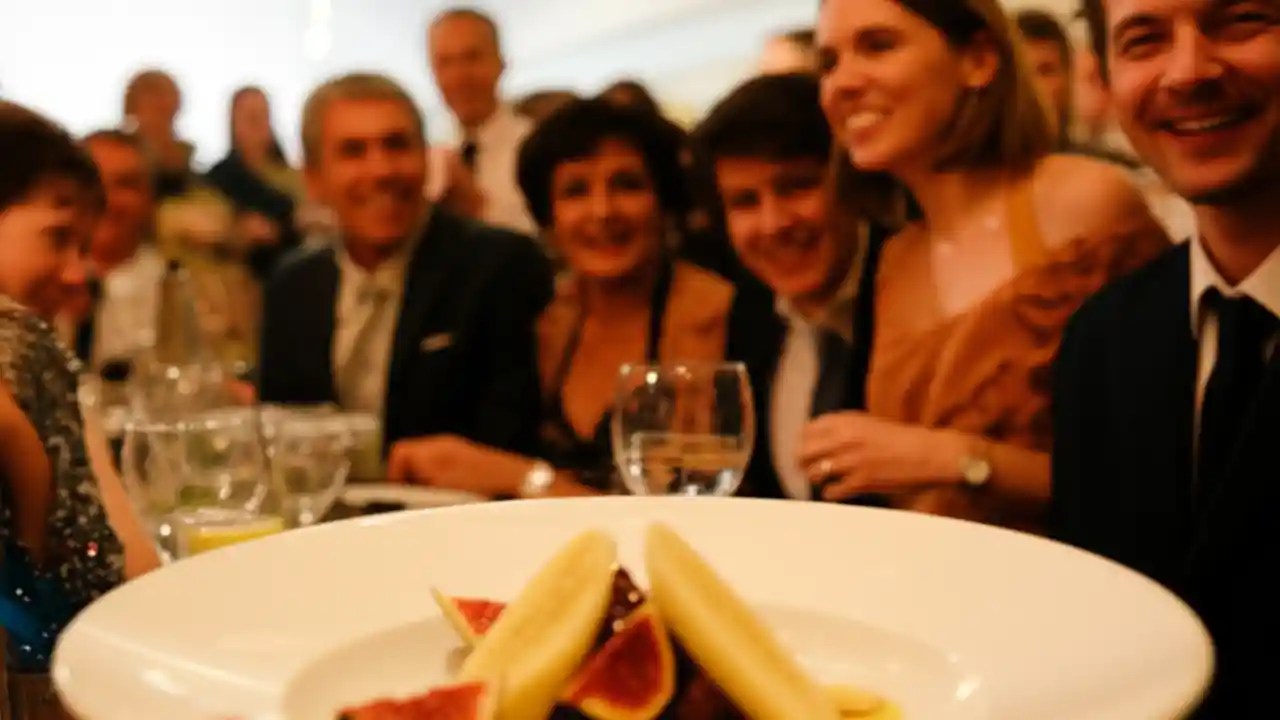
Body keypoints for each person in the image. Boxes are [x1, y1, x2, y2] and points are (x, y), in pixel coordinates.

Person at [803, 0, 1169, 528]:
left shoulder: (1081, 204)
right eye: (829, 62)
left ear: (978, 60)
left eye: (878, 46)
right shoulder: (894, 258)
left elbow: (1165, 474)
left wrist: (951, 459)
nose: (842, 83)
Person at [1054, 0, 1280, 714]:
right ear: (1109, 77)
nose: (1188, 72)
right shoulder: (1102, 341)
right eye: (1144, 40)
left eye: (1240, 21)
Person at [386, 99, 736, 498]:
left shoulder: (723, 314)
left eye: (627, 184)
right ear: (548, 219)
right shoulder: (545, 325)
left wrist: (526, 479)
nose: (602, 211)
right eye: (576, 191)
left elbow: (699, 511)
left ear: (665, 203)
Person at [257, 73, 551, 456]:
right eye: (353, 151)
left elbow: (513, 438)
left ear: (426, 158)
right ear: (314, 179)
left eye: (397, 145)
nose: (381, 170)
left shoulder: (499, 265)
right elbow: (278, 435)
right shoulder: (293, 284)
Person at [0, 101, 159, 671]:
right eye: (57, 237)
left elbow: (134, 578)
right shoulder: (30, 353)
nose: (75, 274)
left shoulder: (42, 362)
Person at [693, 73, 884, 502]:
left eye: (797, 186)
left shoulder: (910, 287)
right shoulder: (751, 310)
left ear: (851, 179)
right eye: (745, 202)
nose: (773, 223)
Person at [428, 7, 538, 235]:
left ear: (500, 63)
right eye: (445, 63)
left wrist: (478, 207)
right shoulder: (430, 154)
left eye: (472, 58)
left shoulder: (535, 146)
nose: (459, 76)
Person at [74, 130, 165, 368]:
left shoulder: (177, 288)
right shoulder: (29, 290)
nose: (106, 198)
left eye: (124, 184)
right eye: (93, 182)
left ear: (149, 197)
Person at [206, 86, 304, 281]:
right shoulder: (218, 179)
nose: (256, 123)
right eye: (249, 116)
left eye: (262, 115)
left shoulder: (293, 179)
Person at [123, 69, 196, 200]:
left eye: (165, 96)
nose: (160, 103)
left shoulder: (185, 154)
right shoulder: (120, 152)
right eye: (150, 96)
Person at [1014, 10, 1074, 148]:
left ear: (1068, 76)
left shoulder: (1104, 166)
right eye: (1022, 73)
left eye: (1045, 71)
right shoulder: (976, 167)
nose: (1033, 85)